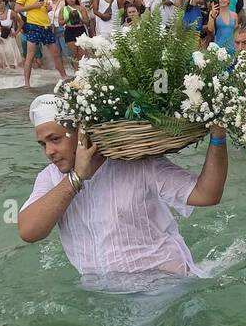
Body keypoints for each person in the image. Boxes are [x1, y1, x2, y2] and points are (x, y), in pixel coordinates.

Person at [18, 95, 230, 279]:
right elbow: (29, 231)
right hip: (103, 292)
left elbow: (207, 194)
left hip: (166, 284)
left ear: (82, 131)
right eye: (43, 144)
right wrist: (77, 178)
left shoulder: (137, 163)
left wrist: (218, 137)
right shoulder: (52, 178)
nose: (49, 151)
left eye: (55, 139)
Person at [16, 0, 64, 86]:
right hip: (33, 25)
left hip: (46, 25)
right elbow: (17, 8)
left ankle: (64, 76)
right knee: (30, 55)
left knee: (56, 53)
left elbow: (44, 6)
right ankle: (27, 83)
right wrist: (33, 6)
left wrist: (48, 8)